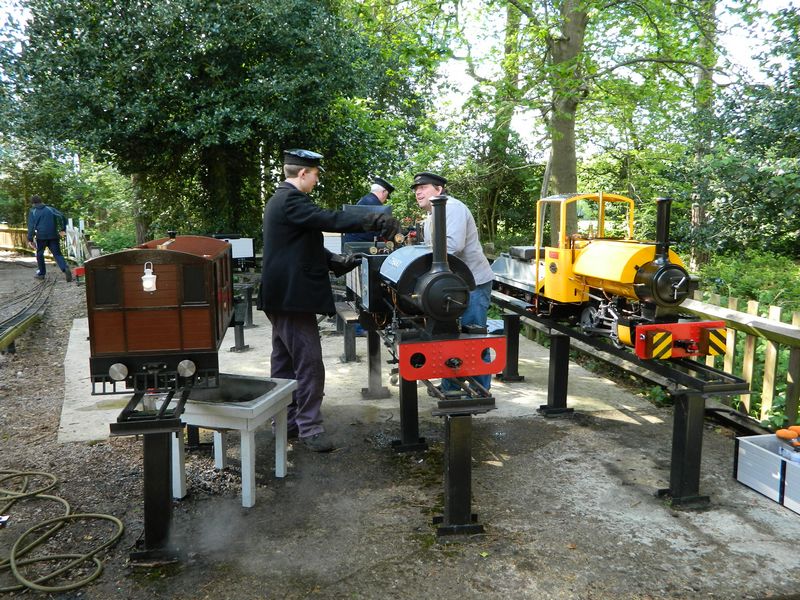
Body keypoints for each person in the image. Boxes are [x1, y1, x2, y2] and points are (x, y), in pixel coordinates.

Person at [258, 149, 400, 452]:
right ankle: (310, 428)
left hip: (282, 296)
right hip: (292, 297)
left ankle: (287, 422)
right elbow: (329, 219)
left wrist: (334, 262)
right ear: (303, 173)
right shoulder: (290, 200)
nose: (317, 180)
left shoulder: (279, 201)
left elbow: (300, 245)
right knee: (309, 363)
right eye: (315, 174)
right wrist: (373, 220)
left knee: (283, 361)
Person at [411, 171, 494, 392]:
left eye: (424, 187)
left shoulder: (452, 207)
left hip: (472, 283)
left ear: (439, 190)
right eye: (416, 189)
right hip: (449, 285)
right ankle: (451, 386)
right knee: (450, 336)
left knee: (474, 336)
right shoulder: (430, 216)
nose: (418, 192)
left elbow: (452, 246)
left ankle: (480, 389)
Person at [26, 194, 72, 282]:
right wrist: (63, 229)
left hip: (41, 236)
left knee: (40, 254)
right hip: (53, 235)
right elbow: (62, 216)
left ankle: (41, 273)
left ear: (33, 203)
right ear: (41, 201)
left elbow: (31, 226)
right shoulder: (50, 209)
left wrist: (30, 239)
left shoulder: (33, 211)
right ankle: (65, 268)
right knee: (57, 254)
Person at [342, 177, 395, 245]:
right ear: (383, 192)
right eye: (386, 196)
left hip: (349, 244)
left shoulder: (362, 201)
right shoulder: (379, 208)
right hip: (366, 247)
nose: (385, 200)